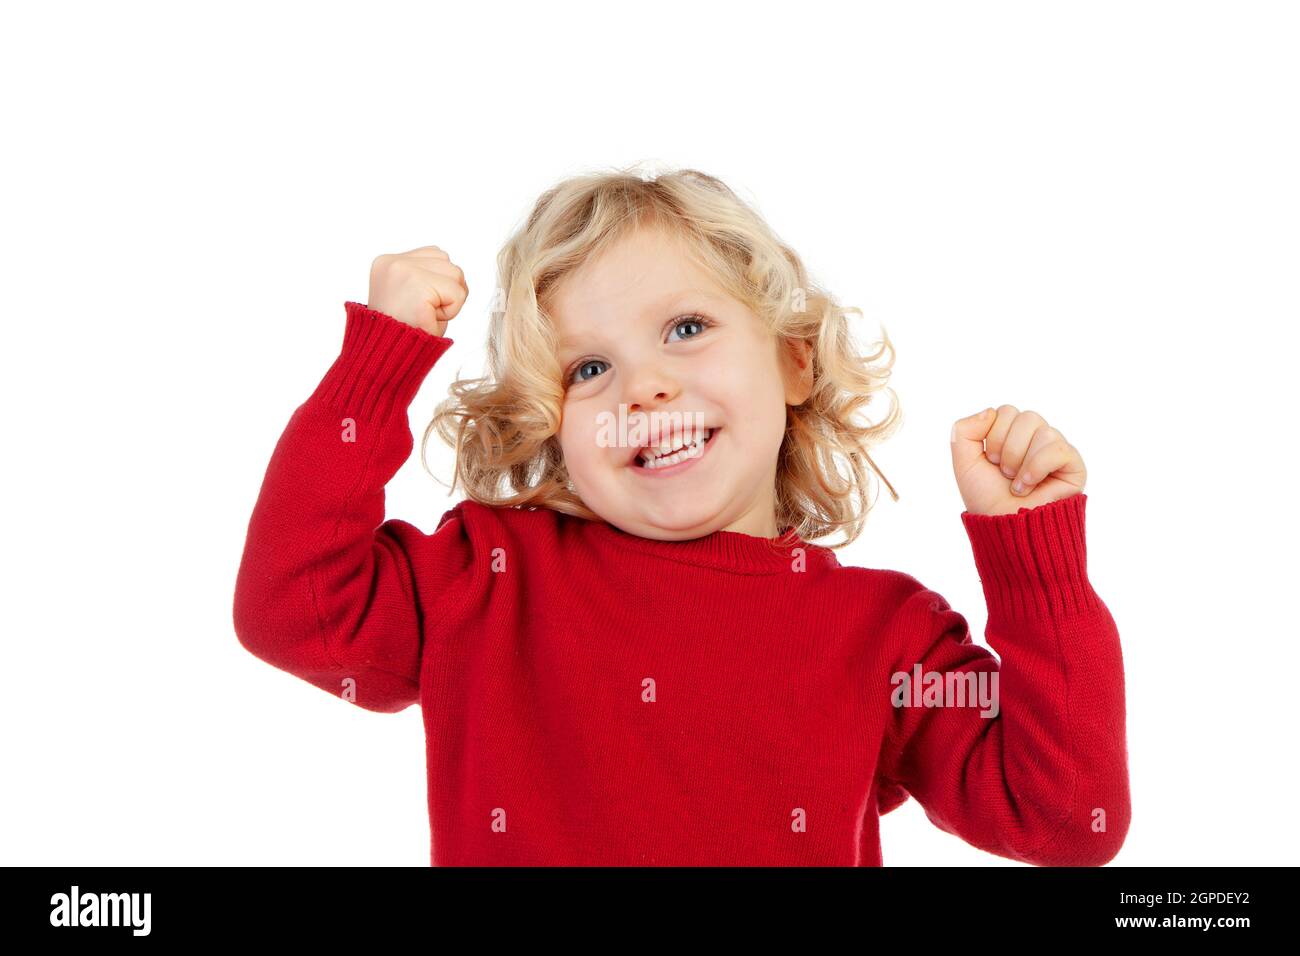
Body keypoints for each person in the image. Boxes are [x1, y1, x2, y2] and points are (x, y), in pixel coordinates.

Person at [232, 165, 1130, 866]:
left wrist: (1035, 568)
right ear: (554, 427)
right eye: (588, 370)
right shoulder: (489, 575)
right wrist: (380, 359)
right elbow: (292, 605)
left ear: (793, 362)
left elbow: (1066, 816)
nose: (646, 386)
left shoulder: (885, 636)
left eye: (687, 328)